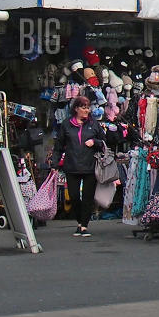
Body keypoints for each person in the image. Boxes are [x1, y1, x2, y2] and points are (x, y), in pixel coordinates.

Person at [55, 96, 106, 236]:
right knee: (74, 196)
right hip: (72, 165)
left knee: (88, 197)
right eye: (83, 107)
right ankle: (79, 221)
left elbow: (104, 141)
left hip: (90, 165)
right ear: (76, 108)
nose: (86, 110)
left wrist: (94, 142)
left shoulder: (93, 123)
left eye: (88, 107)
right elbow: (59, 145)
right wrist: (55, 163)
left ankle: (84, 225)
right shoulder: (66, 124)